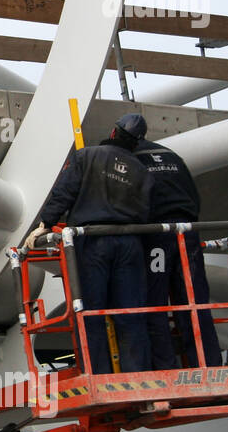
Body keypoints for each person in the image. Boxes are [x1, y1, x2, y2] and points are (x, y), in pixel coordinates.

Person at [25, 116, 154, 375]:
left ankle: (97, 374)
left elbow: (65, 191)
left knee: (90, 313)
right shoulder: (142, 171)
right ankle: (136, 374)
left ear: (113, 131)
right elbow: (147, 210)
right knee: (130, 313)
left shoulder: (87, 157)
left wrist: (45, 224)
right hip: (130, 243)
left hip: (92, 240)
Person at [131, 116, 221, 369]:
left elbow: (131, 200)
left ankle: (164, 368)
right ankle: (206, 365)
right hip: (187, 231)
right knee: (194, 301)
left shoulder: (130, 159)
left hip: (156, 233)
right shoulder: (172, 156)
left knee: (154, 305)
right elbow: (193, 196)